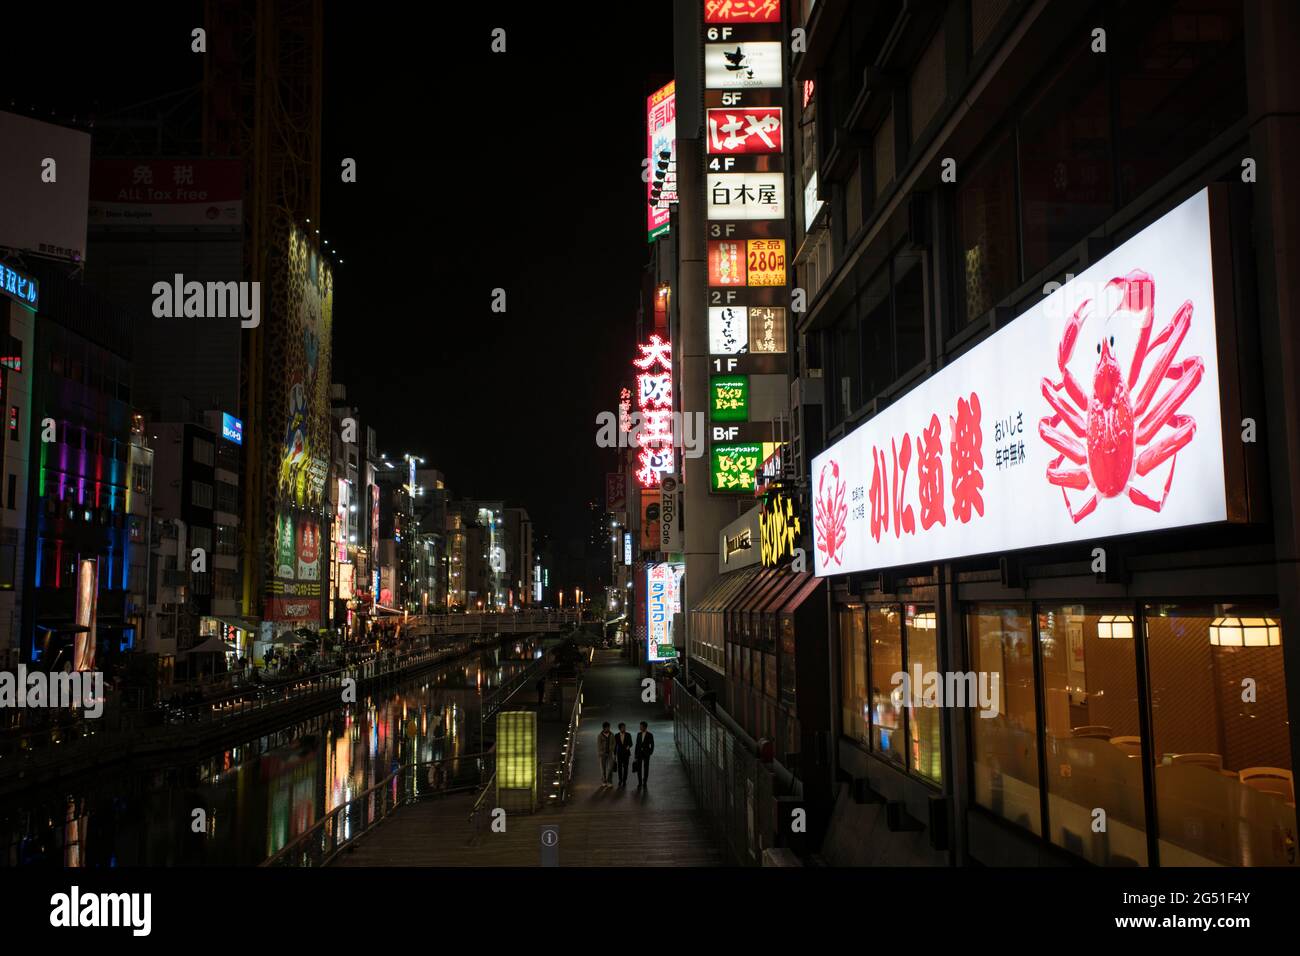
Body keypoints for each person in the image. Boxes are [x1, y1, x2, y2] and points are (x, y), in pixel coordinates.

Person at [634, 721, 655, 790]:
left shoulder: (650, 735)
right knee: (639, 768)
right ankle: (639, 782)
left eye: (641, 726)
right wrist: (635, 755)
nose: (640, 727)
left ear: (645, 727)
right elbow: (637, 745)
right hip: (639, 753)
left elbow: (652, 744)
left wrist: (650, 752)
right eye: (640, 726)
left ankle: (645, 781)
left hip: (646, 753)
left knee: (646, 768)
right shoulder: (638, 734)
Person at [613, 722, 633, 788]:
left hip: (626, 754)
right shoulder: (616, 735)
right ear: (620, 728)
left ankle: (624, 780)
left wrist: (627, 747)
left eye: (624, 727)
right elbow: (615, 746)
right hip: (619, 754)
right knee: (619, 768)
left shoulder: (628, 735)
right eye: (622, 727)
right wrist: (614, 755)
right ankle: (620, 780)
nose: (624, 728)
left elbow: (631, 743)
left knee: (626, 768)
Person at [596, 722, 614, 788]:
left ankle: (609, 781)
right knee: (603, 768)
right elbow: (598, 745)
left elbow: (614, 743)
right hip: (602, 754)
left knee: (610, 768)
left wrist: (611, 749)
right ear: (604, 728)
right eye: (607, 727)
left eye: (609, 727)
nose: (608, 728)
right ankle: (604, 781)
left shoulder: (612, 735)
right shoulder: (600, 736)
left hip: (610, 754)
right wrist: (600, 752)